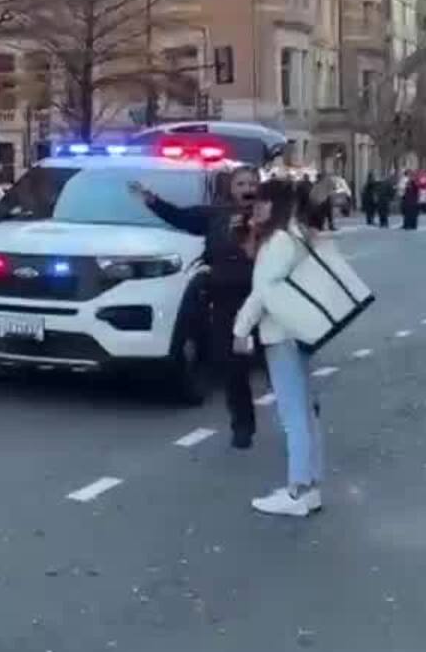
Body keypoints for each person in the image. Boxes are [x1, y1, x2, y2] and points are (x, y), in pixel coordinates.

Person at [132, 165, 263, 448]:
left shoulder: (268, 217)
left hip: (264, 301)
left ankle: (300, 410)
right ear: (231, 189)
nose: (247, 189)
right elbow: (181, 217)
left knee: (276, 361)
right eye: (241, 184)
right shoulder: (217, 215)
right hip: (228, 302)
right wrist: (152, 201)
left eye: (252, 183)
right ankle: (242, 425)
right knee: (233, 365)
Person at [231, 178, 327, 517]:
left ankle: (297, 489)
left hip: (282, 333)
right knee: (305, 411)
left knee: (292, 414)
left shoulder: (278, 242)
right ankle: (310, 486)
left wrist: (240, 330)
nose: (257, 206)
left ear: (277, 205)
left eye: (264, 201)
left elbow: (262, 293)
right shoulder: (296, 235)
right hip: (299, 331)